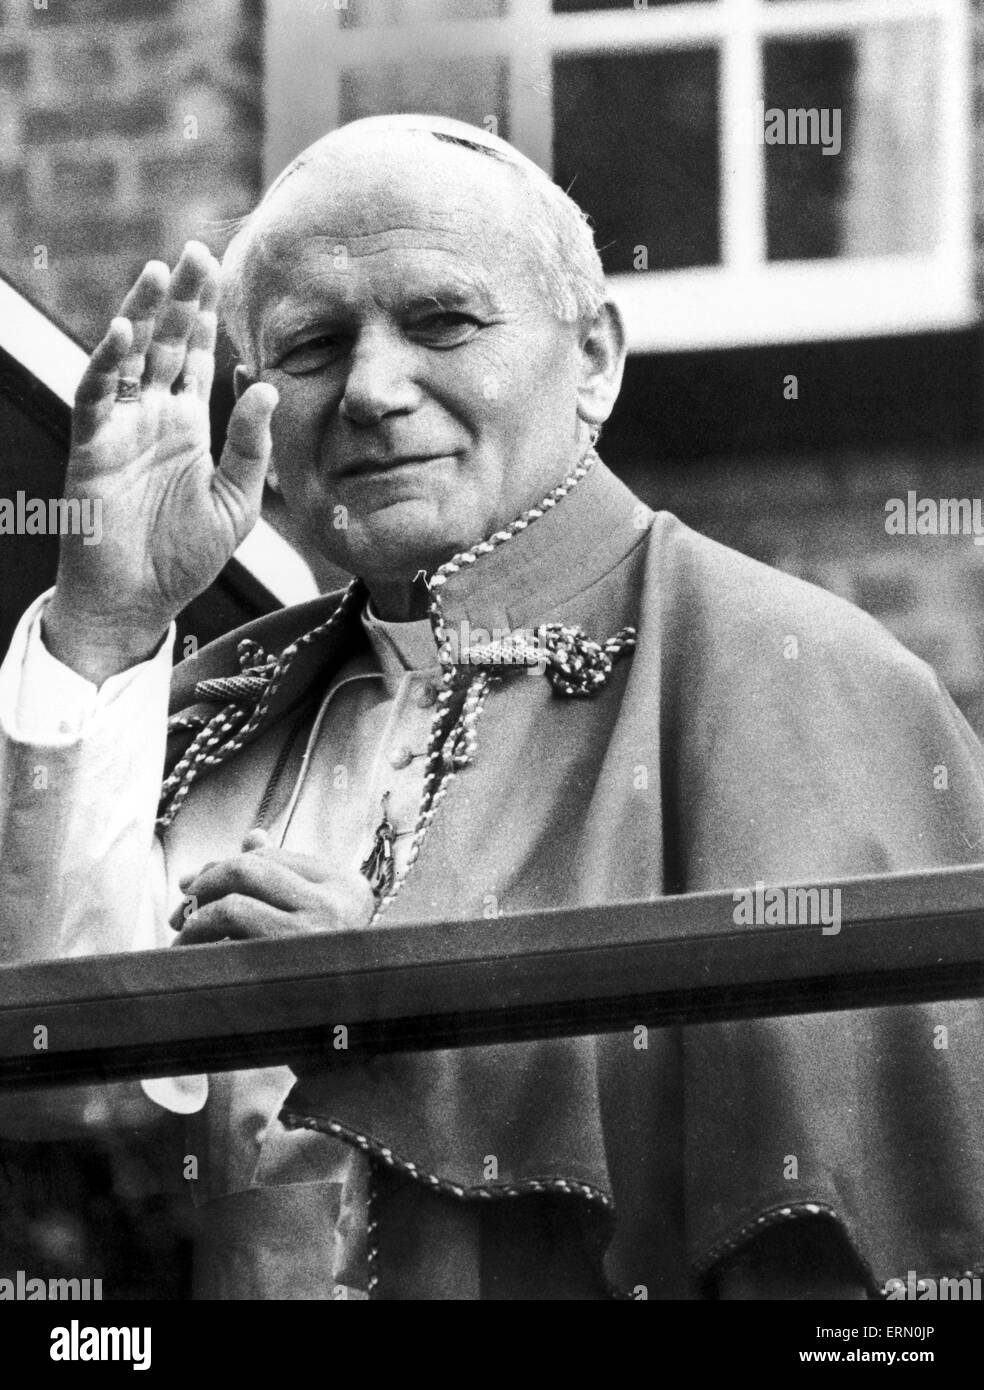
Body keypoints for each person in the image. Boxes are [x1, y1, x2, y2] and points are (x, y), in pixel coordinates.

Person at [2, 114, 984, 1301]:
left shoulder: (804, 678)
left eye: (442, 321)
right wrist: (102, 624)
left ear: (596, 360)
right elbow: (53, 1130)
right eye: (311, 345)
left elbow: (847, 1230)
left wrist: (403, 1006)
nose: (370, 390)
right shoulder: (181, 700)